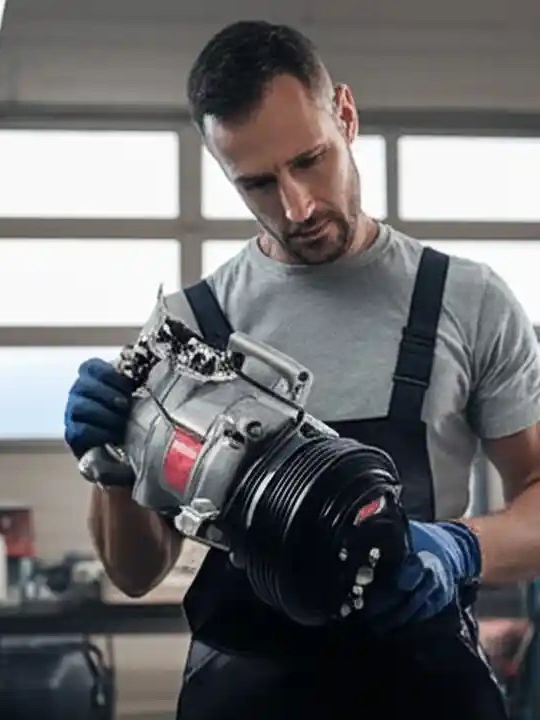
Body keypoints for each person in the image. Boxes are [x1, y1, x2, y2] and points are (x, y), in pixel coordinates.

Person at [64, 20, 540, 720]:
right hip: (247, 694)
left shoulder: (467, 300)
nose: (297, 206)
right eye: (256, 183)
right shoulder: (191, 328)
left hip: (426, 688)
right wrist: (110, 465)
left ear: (345, 114)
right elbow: (137, 574)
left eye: (310, 160)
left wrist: (462, 549)